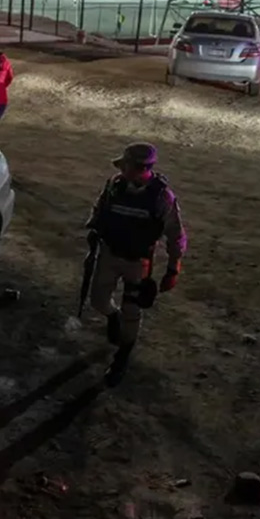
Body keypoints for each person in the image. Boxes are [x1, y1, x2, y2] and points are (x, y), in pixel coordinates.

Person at [84, 143, 187, 387]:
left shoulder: (162, 197)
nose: (121, 169)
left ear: (139, 168)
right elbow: (100, 209)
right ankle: (112, 316)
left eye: (126, 165)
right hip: (110, 253)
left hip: (138, 262)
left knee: (132, 311)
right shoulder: (115, 185)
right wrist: (94, 227)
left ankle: (123, 354)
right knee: (98, 300)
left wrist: (173, 268)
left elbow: (176, 234)